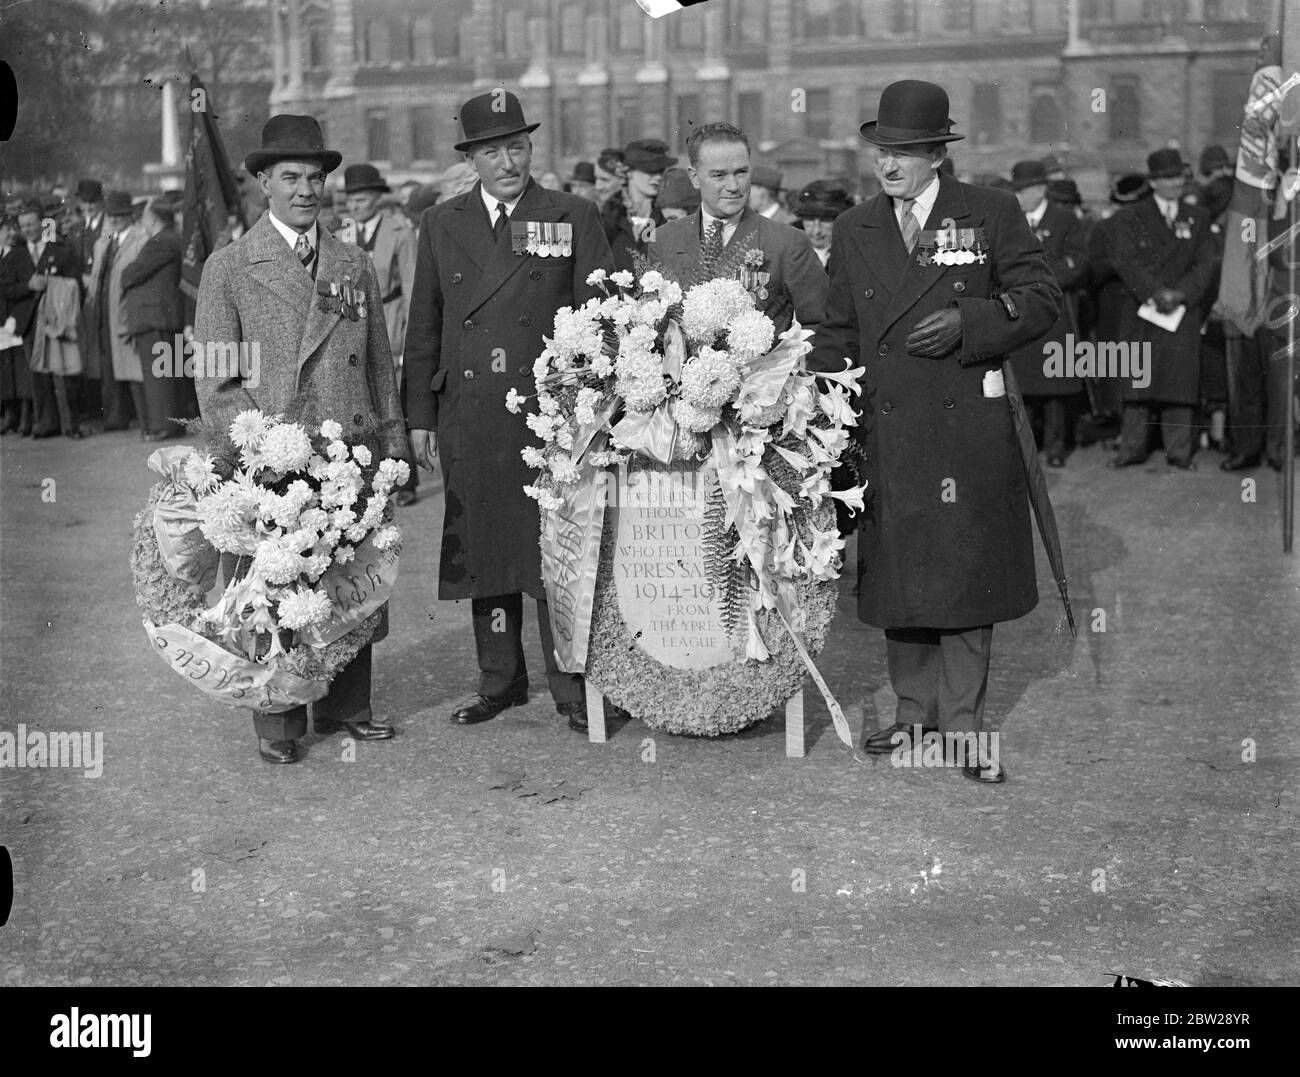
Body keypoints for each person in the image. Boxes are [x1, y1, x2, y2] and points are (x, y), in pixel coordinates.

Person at [809, 80, 1063, 784]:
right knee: (899, 575)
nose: (886, 165)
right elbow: (837, 330)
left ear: (935, 155)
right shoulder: (857, 226)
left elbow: (1044, 299)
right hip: (886, 431)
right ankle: (915, 714)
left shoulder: (989, 212)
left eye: (901, 152)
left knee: (964, 574)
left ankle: (965, 728)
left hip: (964, 429)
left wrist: (971, 324)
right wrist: (813, 403)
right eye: (879, 152)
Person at [194, 113, 410, 765]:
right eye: (290, 177)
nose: (306, 189)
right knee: (280, 586)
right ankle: (281, 721)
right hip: (276, 459)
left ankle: (348, 706)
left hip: (352, 451)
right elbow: (216, 381)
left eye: (315, 177)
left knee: (350, 578)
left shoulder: (354, 262)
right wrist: (262, 449)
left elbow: (376, 365)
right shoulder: (229, 267)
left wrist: (391, 443)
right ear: (264, 181)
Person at [403, 90, 617, 734]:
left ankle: (570, 683)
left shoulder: (573, 215)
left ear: (531, 149)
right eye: (492, 151)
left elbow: (602, 316)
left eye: (517, 147)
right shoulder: (442, 223)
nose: (508, 162)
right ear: (472, 157)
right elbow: (425, 324)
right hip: (470, 410)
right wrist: (418, 415)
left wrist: (588, 403)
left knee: (554, 549)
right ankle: (499, 681)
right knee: (486, 544)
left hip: (549, 414)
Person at [646, 122, 827, 337]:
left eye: (741, 172)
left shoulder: (787, 243)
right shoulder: (665, 241)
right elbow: (652, 325)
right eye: (719, 175)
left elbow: (822, 325)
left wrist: (795, 361)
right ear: (694, 177)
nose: (733, 186)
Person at [1106, 148, 1220, 470]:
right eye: (1167, 178)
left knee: (1179, 381)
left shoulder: (1199, 218)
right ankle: (1131, 448)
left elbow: (1205, 263)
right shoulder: (1130, 217)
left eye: (1179, 177)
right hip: (1143, 308)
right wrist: (1155, 292)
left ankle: (1179, 451)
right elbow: (1125, 260)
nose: (1175, 183)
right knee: (1138, 380)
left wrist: (1181, 294)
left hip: (1182, 310)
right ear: (1153, 182)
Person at [343, 163, 419, 505]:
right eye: (351, 200)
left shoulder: (400, 231)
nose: (355, 206)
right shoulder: (338, 231)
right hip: (350, 319)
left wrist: (408, 333)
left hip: (391, 318)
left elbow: (412, 284)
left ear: (376, 198)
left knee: (394, 401)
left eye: (361, 199)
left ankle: (405, 481)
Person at [1005, 159, 1088, 468]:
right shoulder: (1011, 218)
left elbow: (1078, 263)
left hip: (1054, 311)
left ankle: (1055, 447)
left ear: (1040, 189)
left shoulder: (1065, 219)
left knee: (1056, 388)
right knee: (1023, 385)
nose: (1019, 195)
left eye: (1023, 190)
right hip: (1021, 311)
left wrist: (1040, 279)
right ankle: (1026, 446)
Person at [119, 199, 196, 440]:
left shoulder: (160, 241)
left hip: (155, 317)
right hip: (164, 316)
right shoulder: (173, 237)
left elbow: (130, 274)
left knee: (158, 378)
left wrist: (126, 274)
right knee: (167, 374)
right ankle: (171, 424)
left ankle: (164, 427)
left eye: (144, 216)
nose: (141, 221)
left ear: (153, 218)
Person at [19, 203, 85, 438]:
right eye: (23, 225)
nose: (28, 229)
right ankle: (47, 424)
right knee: (39, 376)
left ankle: (71, 425)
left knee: (64, 373)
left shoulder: (60, 251)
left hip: (58, 321)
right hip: (29, 322)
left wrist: (52, 287)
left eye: (31, 224)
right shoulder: (15, 253)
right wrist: (27, 286)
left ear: (41, 223)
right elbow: (6, 287)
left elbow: (76, 285)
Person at [85, 190, 148, 435]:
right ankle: (114, 417)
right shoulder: (104, 241)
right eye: (111, 215)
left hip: (121, 309)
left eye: (120, 215)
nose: (114, 219)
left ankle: (131, 417)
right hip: (102, 309)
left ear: (130, 215)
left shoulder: (140, 238)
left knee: (128, 365)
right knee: (107, 365)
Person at [602, 138, 675, 274]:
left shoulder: (668, 214)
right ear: (628, 171)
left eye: (661, 171)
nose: (658, 177)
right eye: (650, 170)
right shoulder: (609, 216)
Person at [0, 213, 35, 435]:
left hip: (15, 318)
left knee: (20, 369)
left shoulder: (21, 255)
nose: (12, 233)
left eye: (14, 228)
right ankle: (10, 414)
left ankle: (24, 415)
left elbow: (27, 288)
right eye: (6, 229)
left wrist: (14, 319)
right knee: (5, 370)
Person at [791, 179, 855, 270]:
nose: (817, 231)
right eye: (810, 219)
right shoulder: (788, 252)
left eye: (825, 220)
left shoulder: (853, 255)